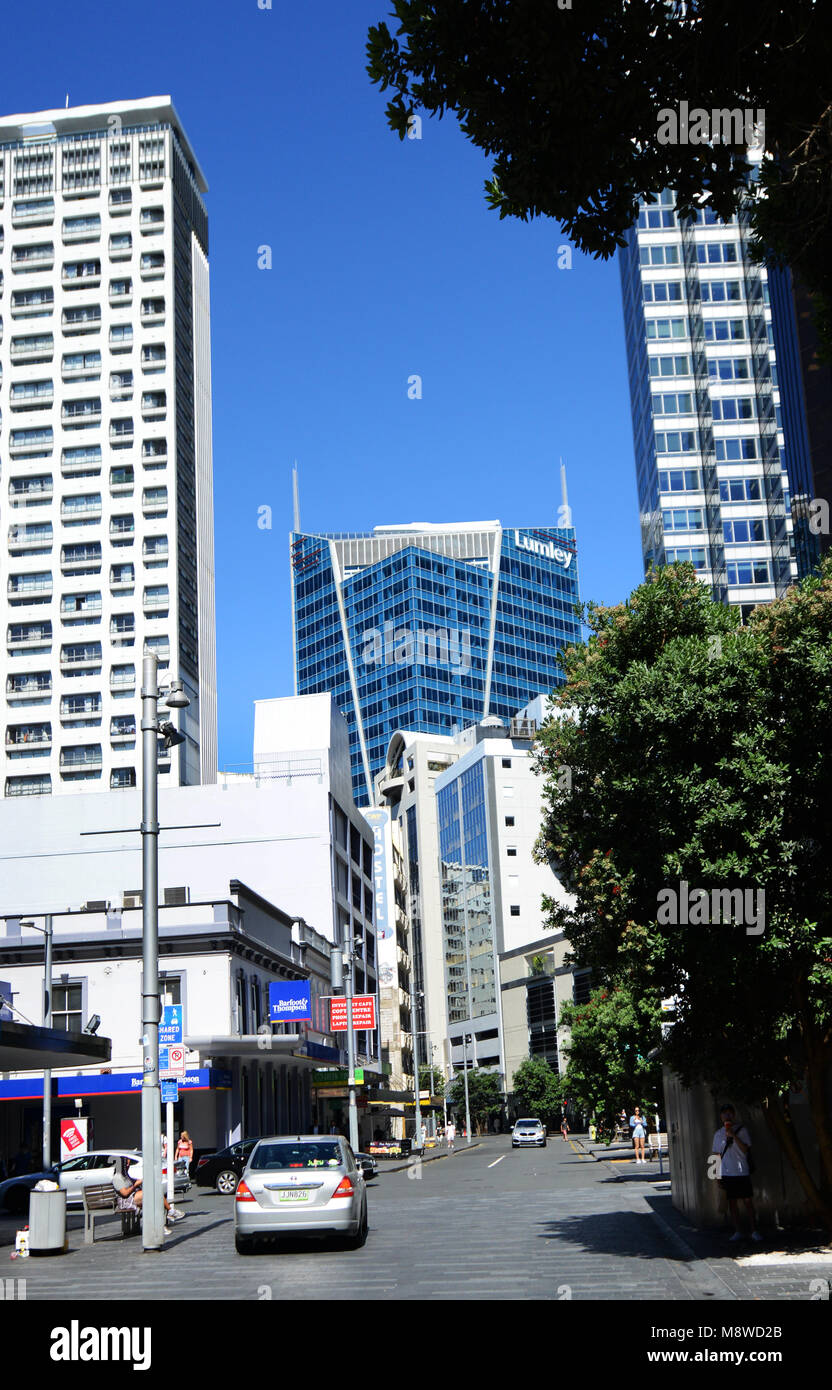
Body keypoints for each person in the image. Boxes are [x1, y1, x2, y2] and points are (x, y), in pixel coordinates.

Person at [712, 1104, 761, 1242]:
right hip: (727, 1173)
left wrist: (733, 1135)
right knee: (732, 1203)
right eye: (724, 1114)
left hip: (742, 1171)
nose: (727, 1116)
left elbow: (746, 1149)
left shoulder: (742, 1130)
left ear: (734, 1115)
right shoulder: (718, 1134)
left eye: (729, 1113)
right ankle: (738, 1231)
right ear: (721, 1117)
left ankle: (754, 1230)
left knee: (748, 1202)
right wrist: (716, 1175)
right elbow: (716, 1155)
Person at [114, 1162, 184, 1233]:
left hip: (133, 1196)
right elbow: (125, 1193)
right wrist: (135, 1185)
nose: (128, 1165)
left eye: (129, 1164)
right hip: (125, 1201)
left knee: (154, 1197)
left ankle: (160, 1225)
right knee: (150, 1195)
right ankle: (169, 1213)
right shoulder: (117, 1177)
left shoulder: (126, 1175)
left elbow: (135, 1182)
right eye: (126, 1164)